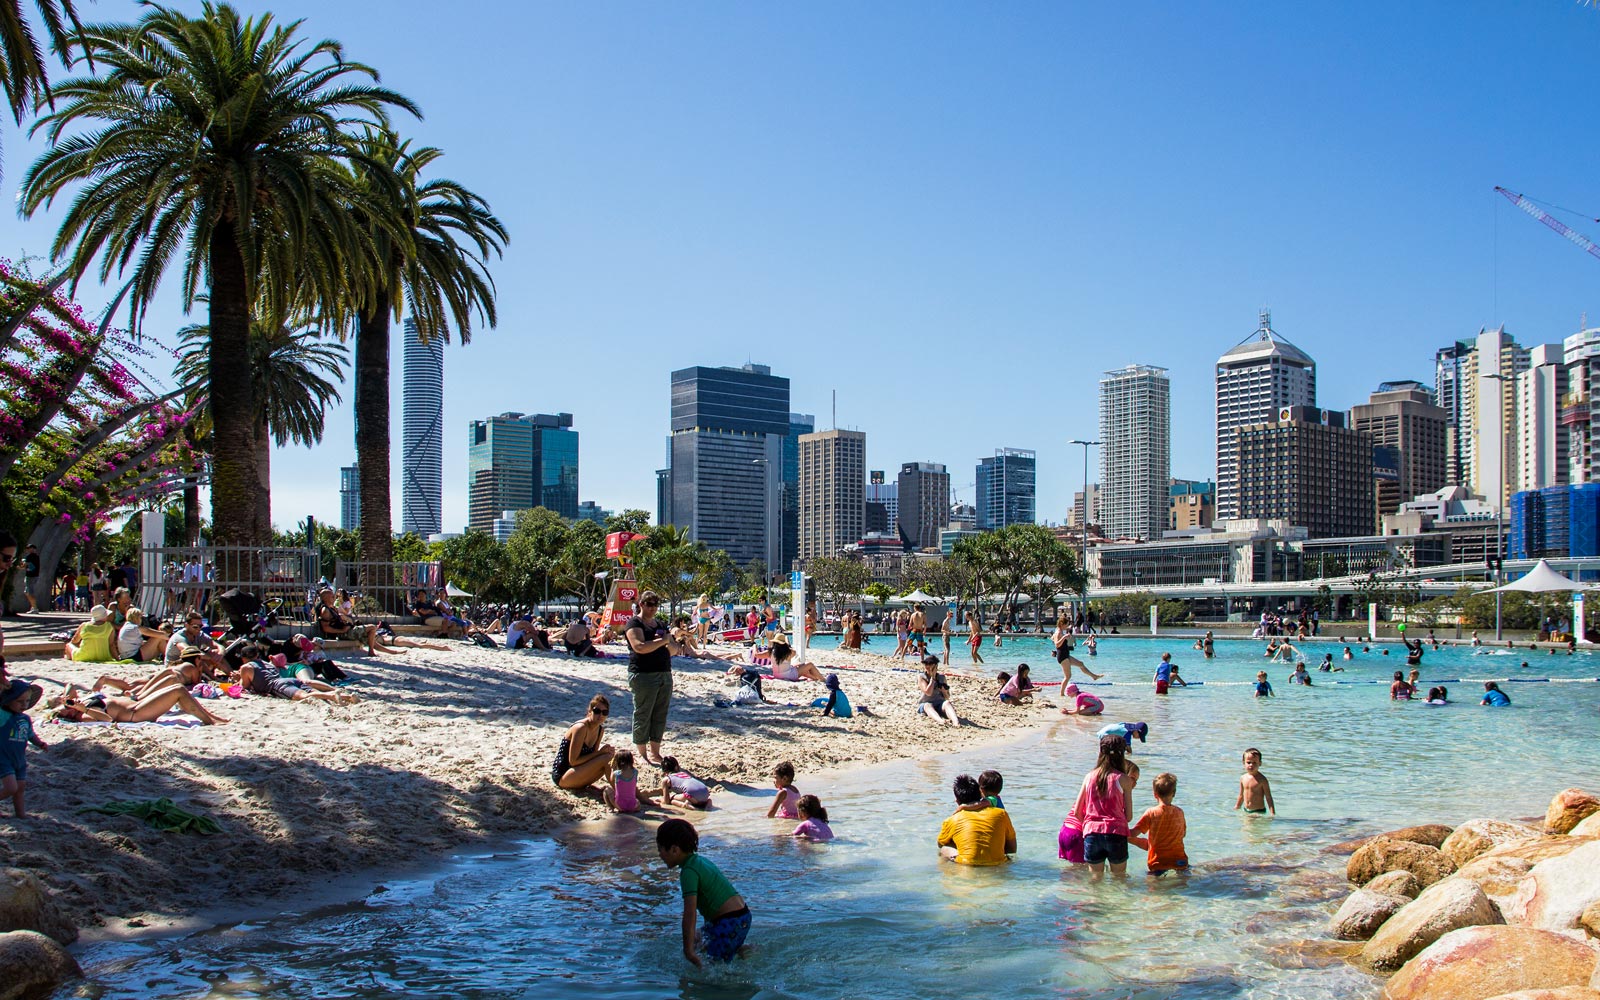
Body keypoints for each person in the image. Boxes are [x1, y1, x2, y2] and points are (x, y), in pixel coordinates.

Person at [657, 818, 750, 968]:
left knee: (711, 969)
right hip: (742, 917)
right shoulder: (700, 861)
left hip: (729, 922)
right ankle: (740, 949)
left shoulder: (688, 872)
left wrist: (688, 951)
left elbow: (690, 913)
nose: (659, 854)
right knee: (699, 940)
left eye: (660, 849)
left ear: (675, 849)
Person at [627, 591, 683, 766]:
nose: (652, 608)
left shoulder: (659, 624)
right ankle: (642, 753)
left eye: (655, 604)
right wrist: (662, 642)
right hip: (643, 674)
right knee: (643, 712)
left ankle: (655, 752)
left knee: (660, 713)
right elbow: (640, 647)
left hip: (664, 673)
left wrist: (666, 642)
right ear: (641, 604)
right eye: (648, 604)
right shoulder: (634, 623)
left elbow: (674, 649)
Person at [1070, 735, 1134, 876]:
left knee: (1095, 879)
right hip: (1116, 833)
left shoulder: (1089, 777)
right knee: (1119, 878)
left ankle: (1094, 899)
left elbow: (1077, 812)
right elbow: (1128, 816)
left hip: (1092, 833)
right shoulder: (1124, 780)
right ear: (1122, 754)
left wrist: (1088, 825)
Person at [937, 773, 1016, 865]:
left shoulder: (952, 819)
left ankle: (946, 876)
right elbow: (1012, 849)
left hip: (968, 864)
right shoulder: (1001, 813)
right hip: (998, 863)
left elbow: (940, 843)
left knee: (944, 848)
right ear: (979, 793)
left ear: (957, 801)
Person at [0, 680, 48, 817]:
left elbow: (30, 734)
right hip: (3, 758)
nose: (24, 705)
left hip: (19, 759)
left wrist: (39, 743)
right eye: (20, 701)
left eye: (27, 701)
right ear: (8, 700)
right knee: (11, 787)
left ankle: (21, 815)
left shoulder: (25, 718)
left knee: (20, 788)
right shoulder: (3, 715)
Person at [553, 694, 615, 794]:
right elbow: (573, 761)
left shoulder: (600, 730)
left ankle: (626, 791)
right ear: (589, 711)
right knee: (605, 758)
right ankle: (624, 794)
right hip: (563, 776)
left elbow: (593, 758)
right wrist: (600, 753)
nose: (600, 715)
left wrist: (604, 753)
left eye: (604, 712)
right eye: (597, 711)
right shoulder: (581, 728)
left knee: (610, 758)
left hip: (578, 772)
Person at [1129, 772, 1188, 875]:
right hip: (1180, 860)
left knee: (1153, 887)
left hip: (1158, 862)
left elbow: (1134, 833)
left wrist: (1119, 832)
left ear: (1155, 794)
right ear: (1174, 793)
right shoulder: (1180, 812)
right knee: (1182, 885)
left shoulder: (1151, 813)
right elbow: (1183, 834)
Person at [315, 588, 384, 656]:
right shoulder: (325, 611)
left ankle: (390, 652)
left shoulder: (331, 608)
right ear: (326, 598)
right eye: (332, 597)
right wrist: (342, 631)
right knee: (372, 627)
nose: (334, 598)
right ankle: (371, 651)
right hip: (343, 633)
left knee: (368, 635)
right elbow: (326, 628)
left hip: (346, 630)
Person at [1053, 612, 1103, 684]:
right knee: (1067, 677)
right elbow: (1057, 644)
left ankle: (1094, 676)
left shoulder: (1059, 631)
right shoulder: (1058, 633)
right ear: (1062, 624)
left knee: (1081, 664)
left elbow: (1056, 642)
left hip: (1065, 655)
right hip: (1063, 657)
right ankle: (1062, 694)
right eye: (1066, 625)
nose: (1067, 627)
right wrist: (1064, 637)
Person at [918, 654, 959, 726]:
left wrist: (944, 691)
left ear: (936, 666)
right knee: (928, 705)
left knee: (947, 703)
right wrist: (932, 679)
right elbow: (928, 693)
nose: (927, 666)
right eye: (926, 664)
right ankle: (941, 721)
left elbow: (947, 697)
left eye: (930, 664)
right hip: (926, 703)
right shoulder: (922, 677)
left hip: (939, 703)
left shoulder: (941, 677)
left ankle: (956, 722)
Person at [1235, 748, 1274, 815]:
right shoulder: (1243, 778)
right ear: (1243, 763)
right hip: (1246, 810)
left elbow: (1268, 797)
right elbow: (1241, 795)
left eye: (1254, 763)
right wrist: (1237, 807)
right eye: (1249, 762)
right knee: (1245, 825)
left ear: (1260, 763)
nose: (1251, 765)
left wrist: (1272, 813)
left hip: (1258, 811)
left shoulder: (1262, 780)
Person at [21, 543, 40, 614]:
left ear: (33, 549)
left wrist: (22, 564)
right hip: (34, 575)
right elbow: (29, 566)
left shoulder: (29, 556)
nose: (28, 550)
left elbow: (25, 565)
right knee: (27, 592)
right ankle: (33, 607)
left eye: (29, 548)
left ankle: (35, 608)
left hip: (30, 576)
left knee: (30, 592)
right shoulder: (36, 557)